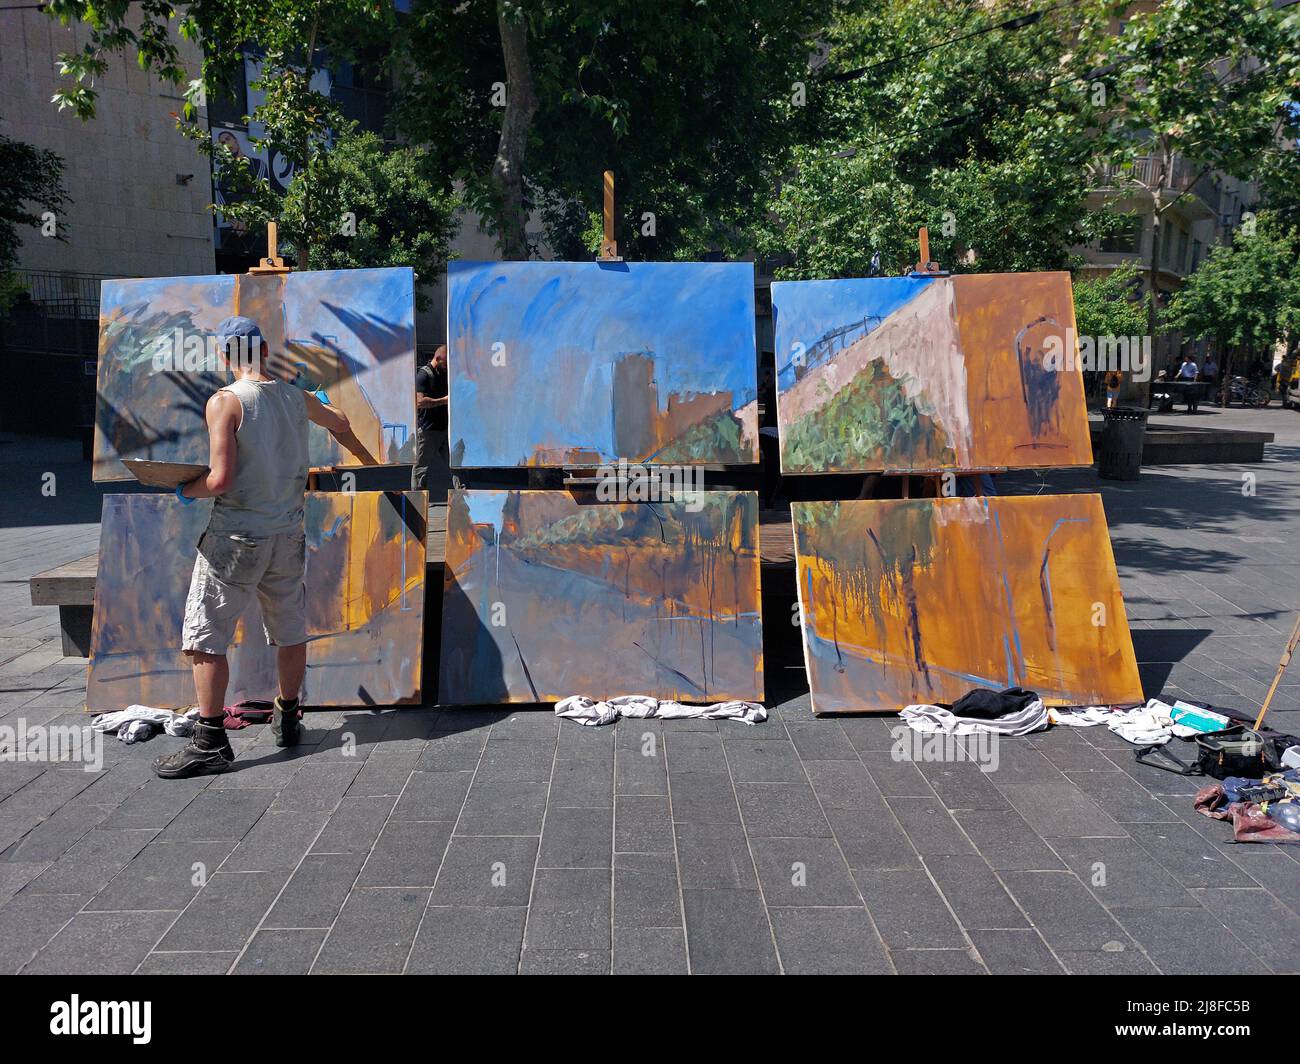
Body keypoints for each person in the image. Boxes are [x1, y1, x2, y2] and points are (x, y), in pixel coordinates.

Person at [154, 316, 375, 780]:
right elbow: (340, 421)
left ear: (224, 356)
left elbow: (219, 480)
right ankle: (288, 714)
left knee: (206, 634)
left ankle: (211, 740)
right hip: (286, 534)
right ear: (265, 350)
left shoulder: (225, 402)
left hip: (236, 537)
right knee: (289, 626)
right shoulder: (295, 396)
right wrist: (370, 464)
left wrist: (182, 489)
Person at [413, 344, 449, 491]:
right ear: (438, 358)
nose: (447, 366)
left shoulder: (445, 373)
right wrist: (444, 400)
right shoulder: (423, 375)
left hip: (445, 429)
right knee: (421, 470)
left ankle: (465, 501)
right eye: (445, 363)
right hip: (428, 431)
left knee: (457, 467)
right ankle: (417, 501)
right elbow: (419, 402)